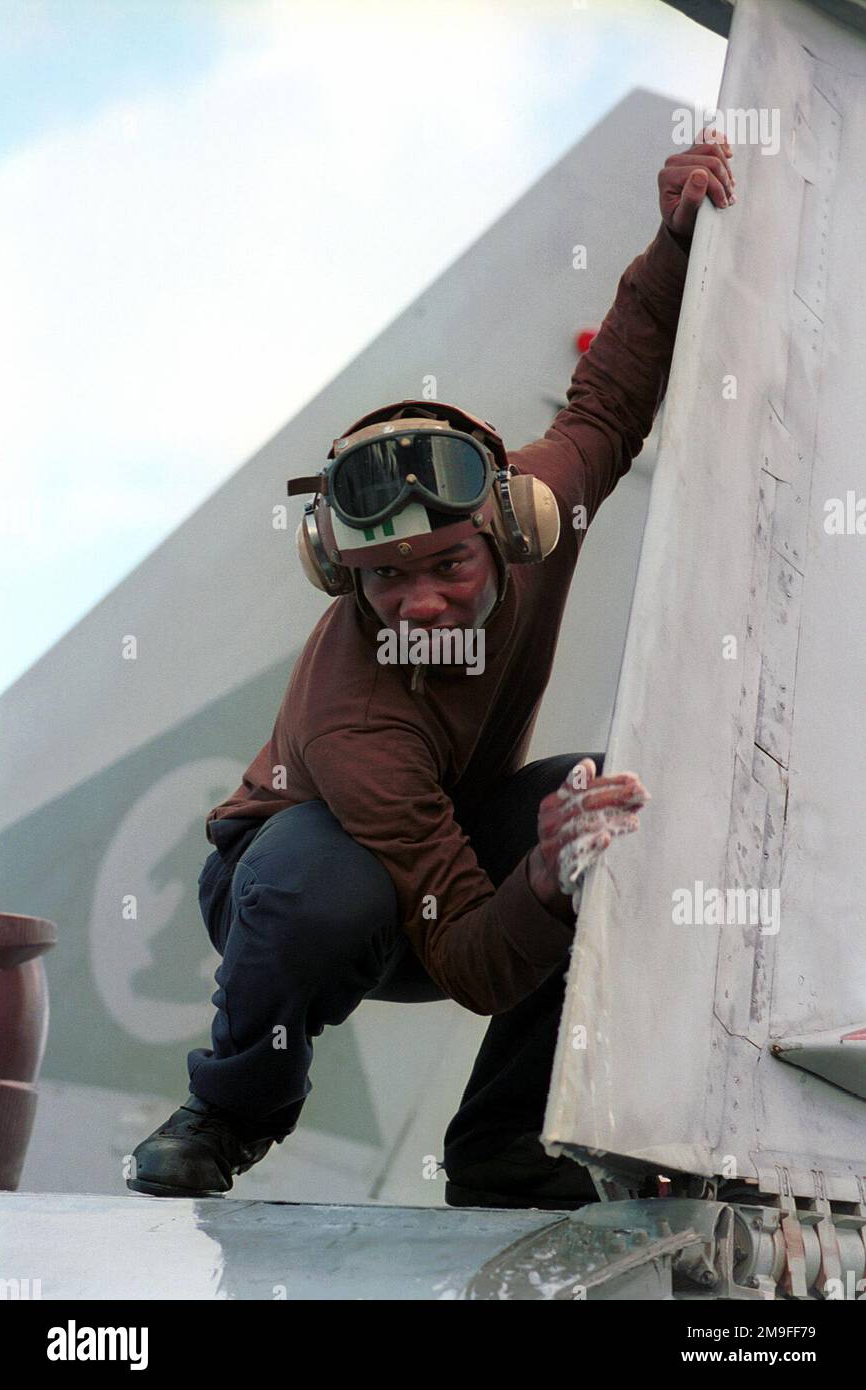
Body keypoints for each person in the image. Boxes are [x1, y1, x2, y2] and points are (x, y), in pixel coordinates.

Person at [127, 131, 736, 1206]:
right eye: (382, 579)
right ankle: (231, 1109)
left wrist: (675, 237)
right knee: (322, 882)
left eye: (447, 562)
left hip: (451, 854)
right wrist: (538, 887)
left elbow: (610, 395)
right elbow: (465, 960)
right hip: (311, 885)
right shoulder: (355, 723)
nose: (419, 601)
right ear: (340, 577)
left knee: (606, 812)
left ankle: (504, 1146)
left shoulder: (542, 505)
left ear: (503, 529)